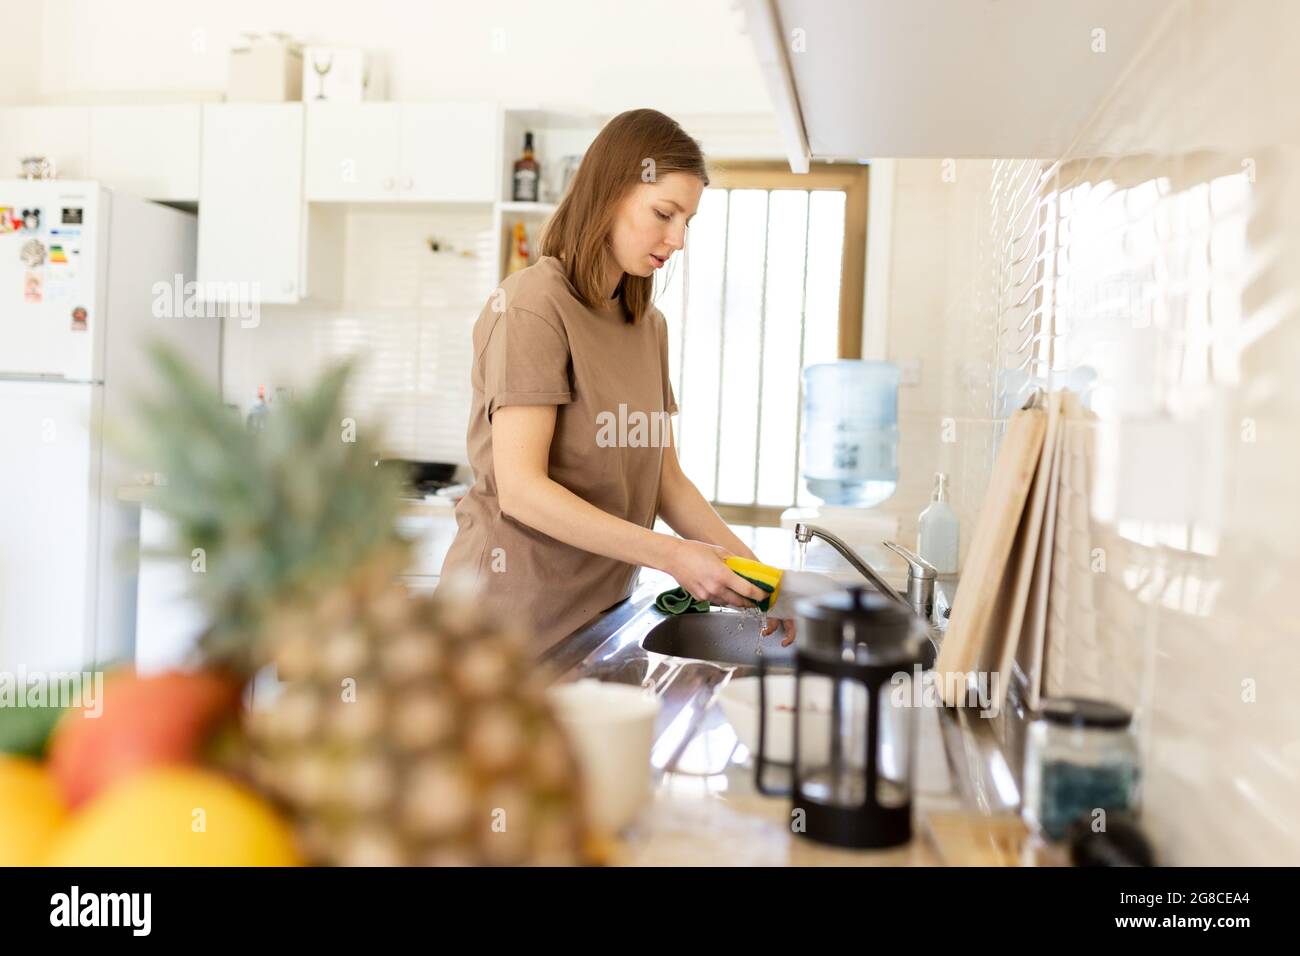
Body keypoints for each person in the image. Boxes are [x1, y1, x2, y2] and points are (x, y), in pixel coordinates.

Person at [437, 108, 795, 651]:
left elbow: (666, 481)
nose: (677, 240)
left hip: (596, 616)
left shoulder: (647, 325)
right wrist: (671, 555)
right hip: (506, 626)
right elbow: (522, 491)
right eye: (664, 213)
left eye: (687, 223)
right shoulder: (533, 305)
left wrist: (761, 581)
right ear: (610, 193)